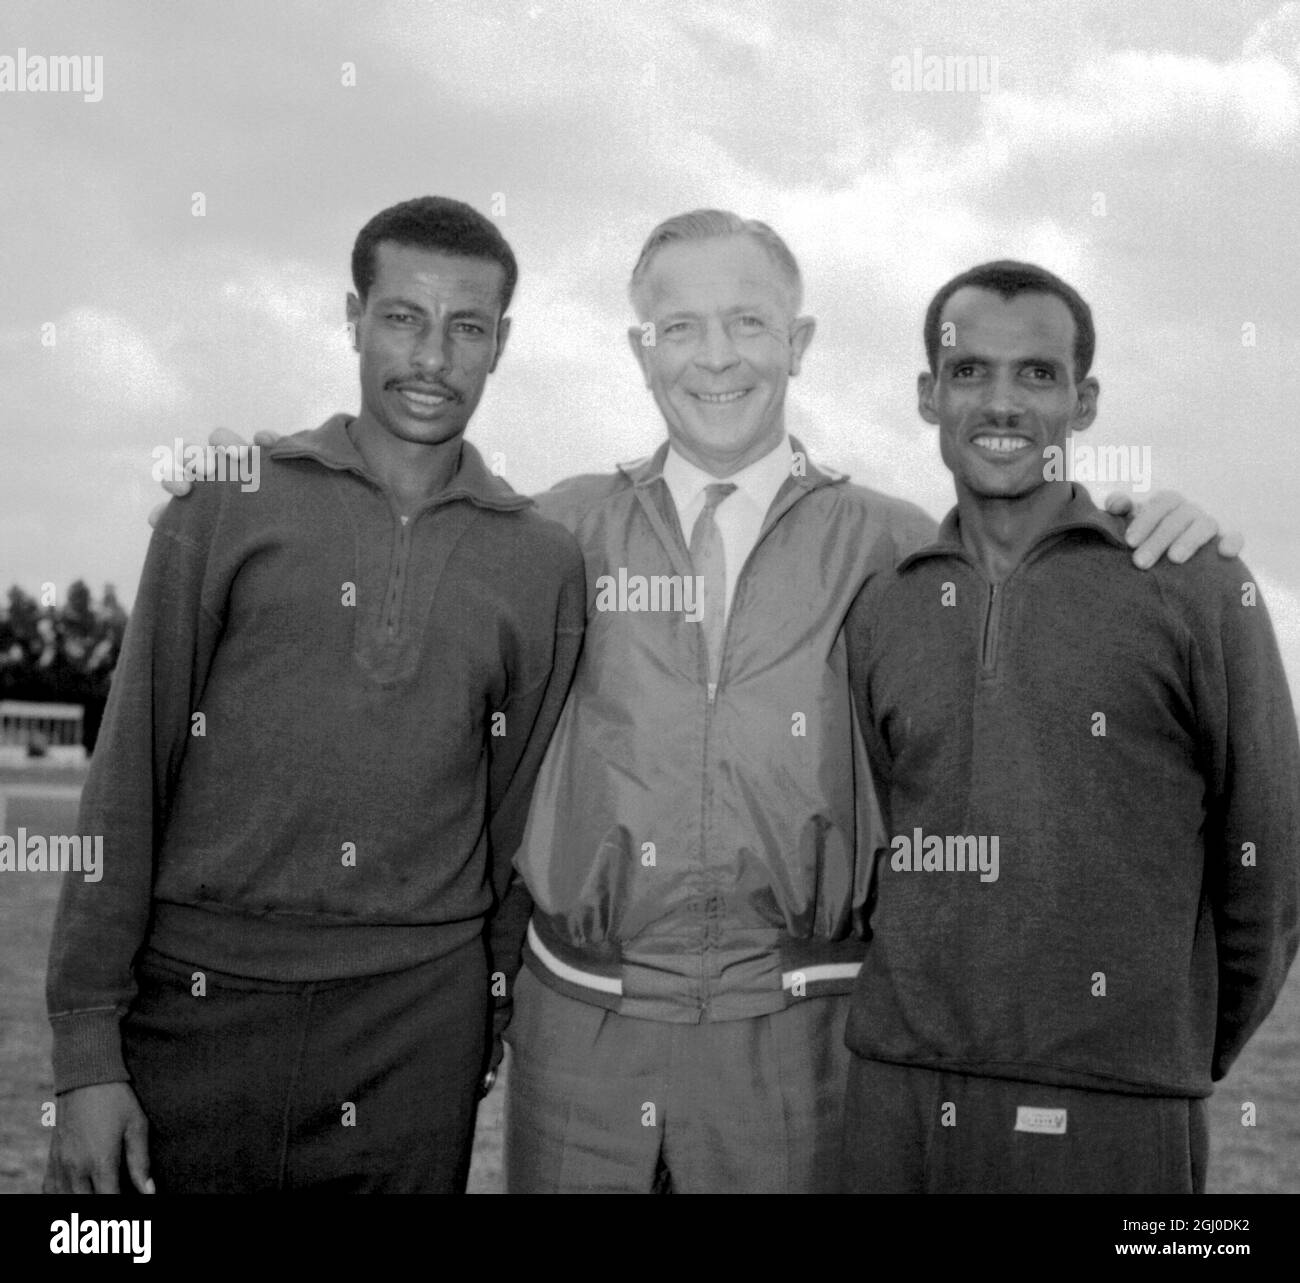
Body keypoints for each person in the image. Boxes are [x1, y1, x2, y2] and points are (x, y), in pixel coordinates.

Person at [159, 213, 1238, 1194]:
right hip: (582, 1029)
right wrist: (263, 465)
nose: (714, 356)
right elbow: (407, 516)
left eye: (746, 322)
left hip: (796, 1033)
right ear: (640, 349)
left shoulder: (897, 544)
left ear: (799, 341)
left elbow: (1032, 557)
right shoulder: (550, 531)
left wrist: (1149, 516)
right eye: (678, 326)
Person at [44, 196, 586, 1194]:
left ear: (501, 342)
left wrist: (487, 1011)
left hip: (413, 1027)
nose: (431, 357)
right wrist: (85, 1051)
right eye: (401, 318)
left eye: (466, 327)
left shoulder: (541, 561)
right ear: (352, 315)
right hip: (193, 1003)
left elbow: (508, 823)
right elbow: (128, 773)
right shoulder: (227, 497)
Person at [840, 261, 1300, 1194]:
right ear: (929, 395)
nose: (1000, 402)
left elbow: (1269, 862)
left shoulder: (1195, 584)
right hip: (899, 1098)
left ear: (1083, 402)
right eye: (969, 372)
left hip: (1116, 1108)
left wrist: (1166, 1051)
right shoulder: (884, 608)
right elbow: (885, 825)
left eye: (1037, 375)